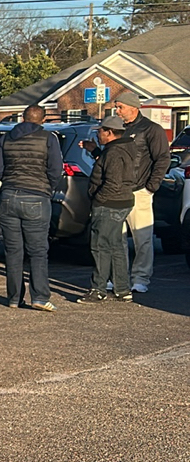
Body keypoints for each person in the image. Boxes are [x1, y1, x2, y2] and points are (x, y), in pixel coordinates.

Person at [0, 105, 64, 310]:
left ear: (23, 118)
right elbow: (55, 169)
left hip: (8, 196)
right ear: (42, 119)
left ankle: (14, 297)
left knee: (13, 251)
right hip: (36, 196)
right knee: (38, 251)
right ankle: (40, 296)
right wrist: (47, 188)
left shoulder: (6, 138)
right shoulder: (48, 138)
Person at [77, 116, 139, 304]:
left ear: (109, 132)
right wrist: (94, 150)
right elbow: (110, 166)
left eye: (100, 131)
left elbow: (113, 181)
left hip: (110, 204)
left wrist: (98, 200)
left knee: (100, 246)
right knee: (115, 246)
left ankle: (98, 289)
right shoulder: (122, 148)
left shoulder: (113, 153)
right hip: (122, 201)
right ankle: (122, 288)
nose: (98, 134)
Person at [113, 89, 169, 293]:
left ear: (134, 108)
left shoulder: (151, 129)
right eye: (116, 107)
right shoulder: (117, 128)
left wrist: (151, 187)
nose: (117, 111)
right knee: (115, 238)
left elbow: (163, 158)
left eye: (121, 107)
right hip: (116, 192)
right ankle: (118, 277)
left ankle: (140, 278)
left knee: (142, 238)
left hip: (139, 191)